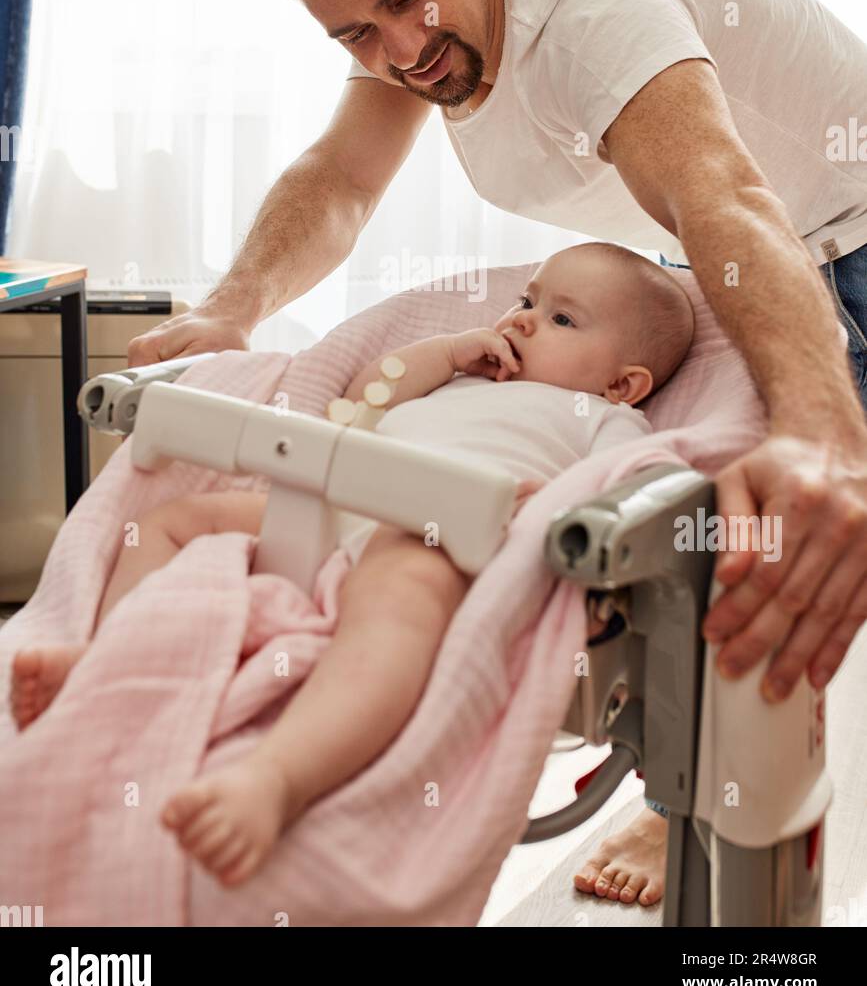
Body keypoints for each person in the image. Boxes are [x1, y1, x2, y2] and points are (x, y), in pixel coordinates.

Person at [126, 0, 867, 904]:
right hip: (723, 257)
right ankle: (692, 797)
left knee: (769, 539)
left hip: (834, 244)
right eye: (357, 34)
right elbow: (340, 176)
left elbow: (726, 200)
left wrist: (824, 434)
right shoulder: (409, 26)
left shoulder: (592, 8)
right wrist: (228, 308)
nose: (400, 49)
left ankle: (734, 838)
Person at [10, 243, 693, 890]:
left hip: (438, 533)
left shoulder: (602, 419)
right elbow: (364, 401)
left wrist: (548, 505)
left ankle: (277, 778)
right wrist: (444, 352)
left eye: (561, 319)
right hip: (338, 504)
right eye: (527, 299)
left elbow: (630, 487)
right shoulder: (459, 378)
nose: (521, 319)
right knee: (174, 521)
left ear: (620, 383)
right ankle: (109, 658)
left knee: (399, 598)